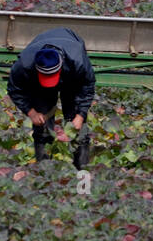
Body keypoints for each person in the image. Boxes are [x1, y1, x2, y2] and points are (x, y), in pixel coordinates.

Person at [7, 28, 97, 168]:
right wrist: (31, 112)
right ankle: (44, 169)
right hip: (39, 78)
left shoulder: (77, 60)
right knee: (42, 122)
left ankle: (82, 167)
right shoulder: (25, 64)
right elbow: (14, 89)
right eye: (46, 77)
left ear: (60, 67)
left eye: (52, 77)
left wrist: (80, 115)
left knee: (77, 125)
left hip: (71, 74)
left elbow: (87, 86)